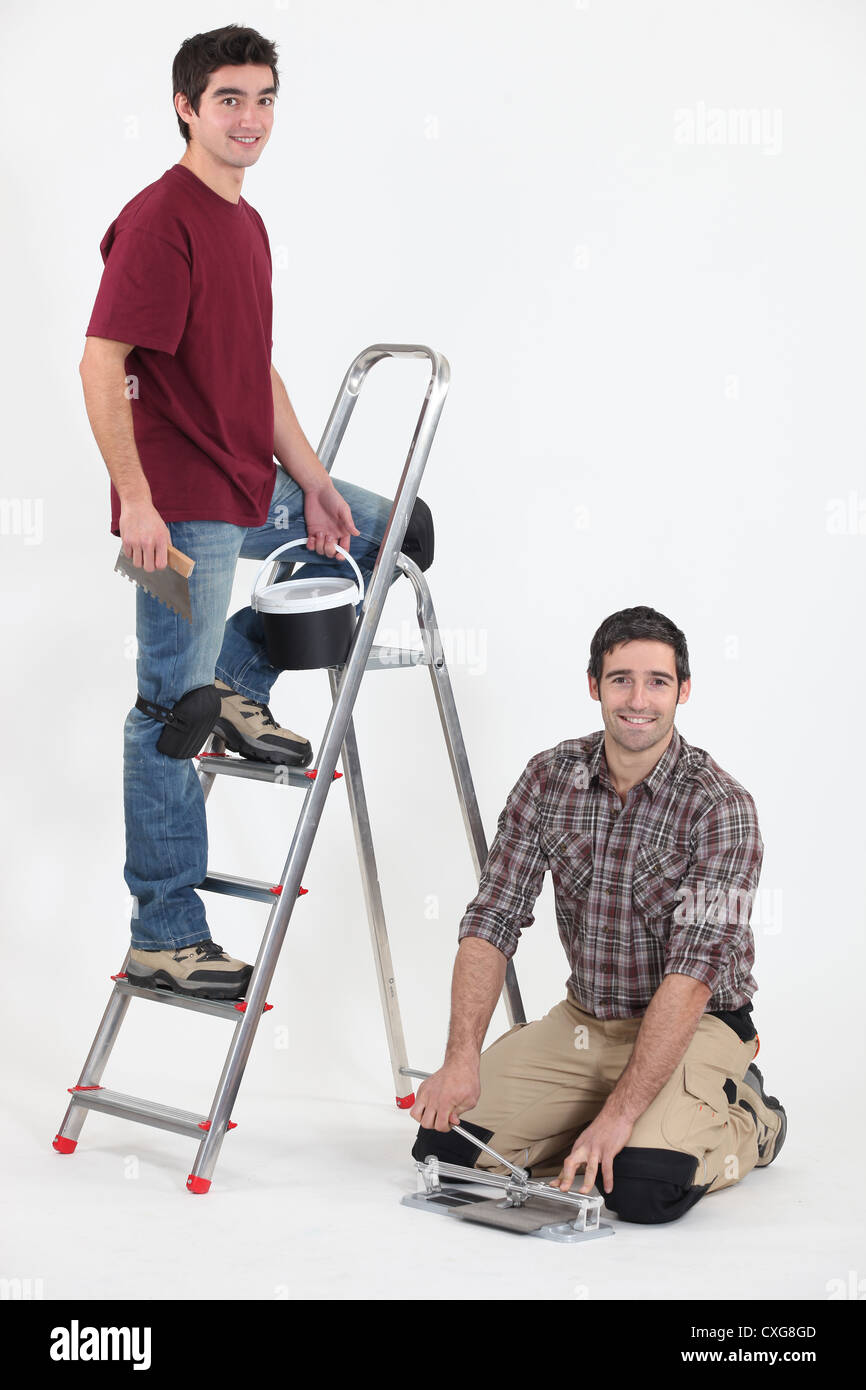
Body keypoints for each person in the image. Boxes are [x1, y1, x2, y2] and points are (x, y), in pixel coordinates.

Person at [79, 25, 404, 1002]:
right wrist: (135, 499)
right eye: (229, 99)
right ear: (186, 105)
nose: (249, 117)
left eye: (263, 98)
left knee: (387, 530)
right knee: (165, 715)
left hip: (240, 480)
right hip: (173, 505)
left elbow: (250, 374)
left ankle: (231, 679)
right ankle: (165, 935)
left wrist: (310, 481)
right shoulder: (160, 219)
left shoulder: (245, 225)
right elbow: (100, 361)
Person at [411, 606, 786, 1224]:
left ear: (683, 691)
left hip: (697, 1023)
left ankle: (747, 1116)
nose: (638, 699)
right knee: (446, 1148)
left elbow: (692, 977)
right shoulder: (548, 777)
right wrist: (460, 1060)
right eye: (621, 679)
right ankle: (609, 1112)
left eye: (658, 682)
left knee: (640, 1188)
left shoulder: (723, 807)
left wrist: (619, 1116)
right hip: (587, 1024)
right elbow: (493, 918)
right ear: (595, 685)